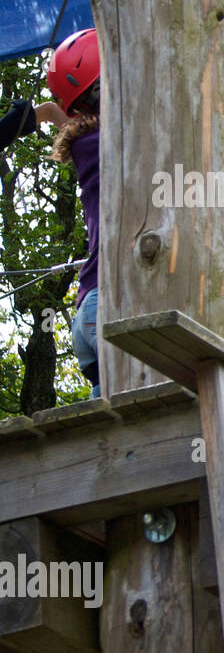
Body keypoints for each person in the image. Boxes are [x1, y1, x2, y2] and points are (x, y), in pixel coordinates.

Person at [45, 29, 100, 396]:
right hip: (116, 300)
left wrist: (48, 113)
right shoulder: (119, 137)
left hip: (92, 308)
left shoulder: (87, 141)